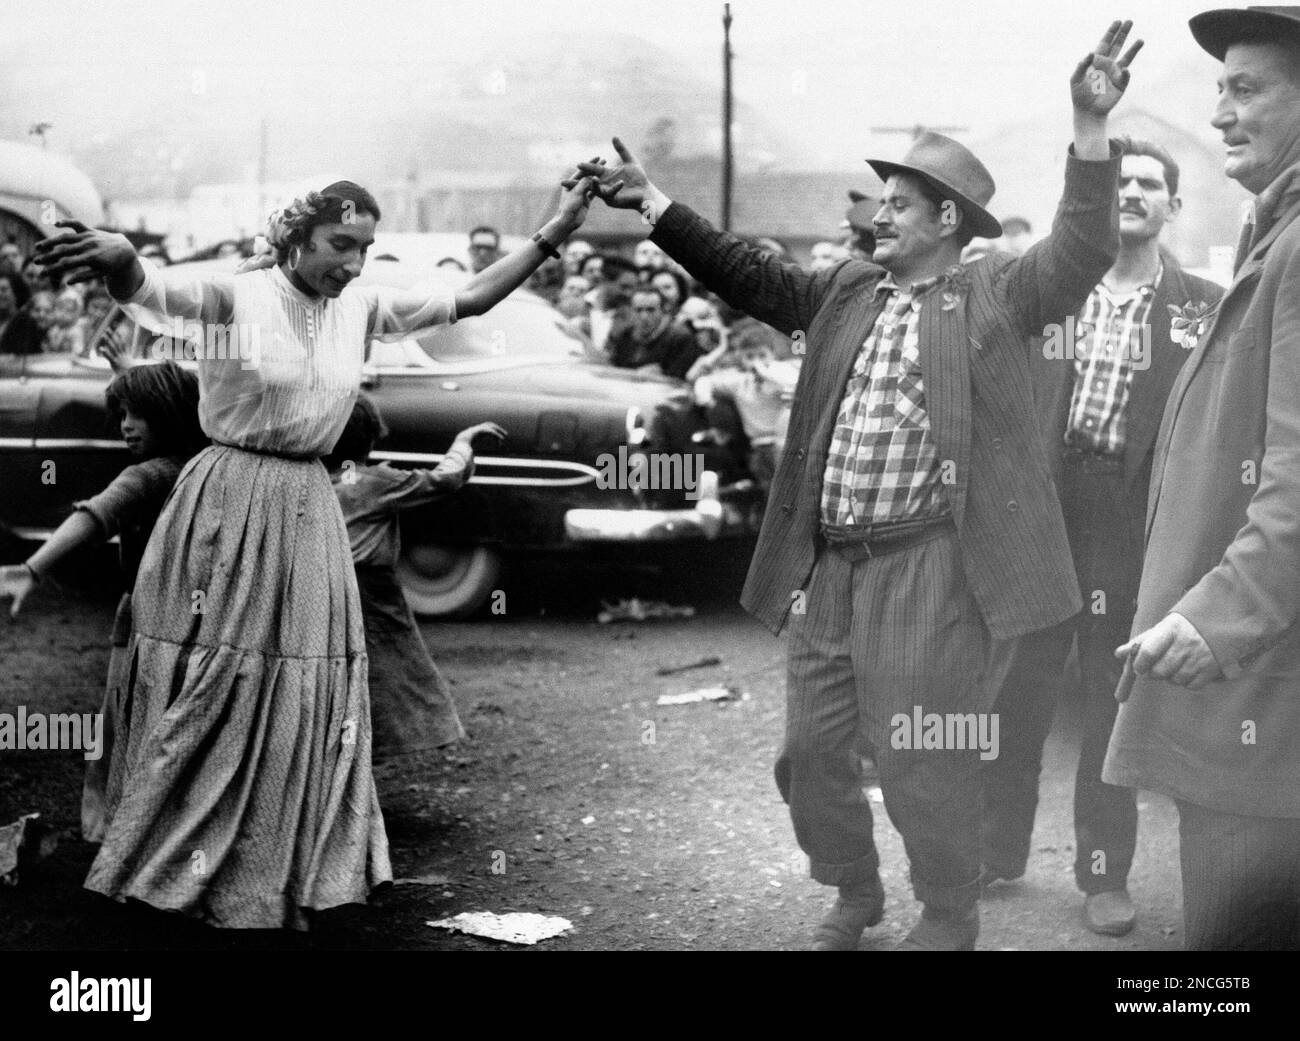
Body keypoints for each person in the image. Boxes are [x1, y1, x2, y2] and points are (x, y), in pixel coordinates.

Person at [575, 19, 1138, 950]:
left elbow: (1080, 247)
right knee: (809, 754)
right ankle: (853, 885)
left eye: (898, 205)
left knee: (923, 757)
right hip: (830, 568)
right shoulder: (845, 292)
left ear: (947, 220)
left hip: (928, 571)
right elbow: (746, 271)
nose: (876, 217)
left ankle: (949, 905)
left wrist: (1086, 126)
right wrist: (654, 204)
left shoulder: (995, 296)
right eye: (879, 202)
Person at [32, 170, 596, 930]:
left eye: (366, 247)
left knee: (306, 685)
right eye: (340, 244)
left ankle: (284, 858)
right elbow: (152, 293)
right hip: (226, 502)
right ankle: (177, 852)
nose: (355, 263)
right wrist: (123, 255)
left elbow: (472, 298)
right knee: (215, 678)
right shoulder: (241, 297)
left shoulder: (359, 306)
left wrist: (557, 227)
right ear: (296, 237)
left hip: (308, 509)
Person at [983, 137, 1223, 937]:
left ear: (1172, 207)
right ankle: (996, 847)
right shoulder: (1056, 290)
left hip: (1131, 519)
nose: (1132, 192)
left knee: (1106, 700)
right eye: (1121, 181)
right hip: (1048, 509)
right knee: (1017, 685)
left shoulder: (1202, 305)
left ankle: (1102, 873)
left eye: (1150, 184)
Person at [1103, 5, 1300, 951]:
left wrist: (1211, 617)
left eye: (1247, 88)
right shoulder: (1275, 239)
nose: (1220, 112)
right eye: (1219, 89)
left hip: (1258, 695)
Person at [0, 361, 208, 843]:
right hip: (196, 621)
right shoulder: (206, 465)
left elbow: (95, 515)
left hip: (144, 620)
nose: (125, 426)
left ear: (169, 414)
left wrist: (33, 567)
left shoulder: (150, 473)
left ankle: (111, 831)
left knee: (121, 727)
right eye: (123, 414)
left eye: (138, 414)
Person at [325, 396, 504, 771]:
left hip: (323, 587)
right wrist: (463, 442)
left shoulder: (316, 481)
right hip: (373, 591)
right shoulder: (378, 481)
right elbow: (446, 478)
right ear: (370, 439)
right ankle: (376, 749)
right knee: (397, 676)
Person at [606, 286, 700, 378]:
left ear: (663, 310)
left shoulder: (681, 339)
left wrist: (660, 376)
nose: (644, 316)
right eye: (638, 310)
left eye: (651, 310)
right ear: (631, 310)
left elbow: (681, 379)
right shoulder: (626, 336)